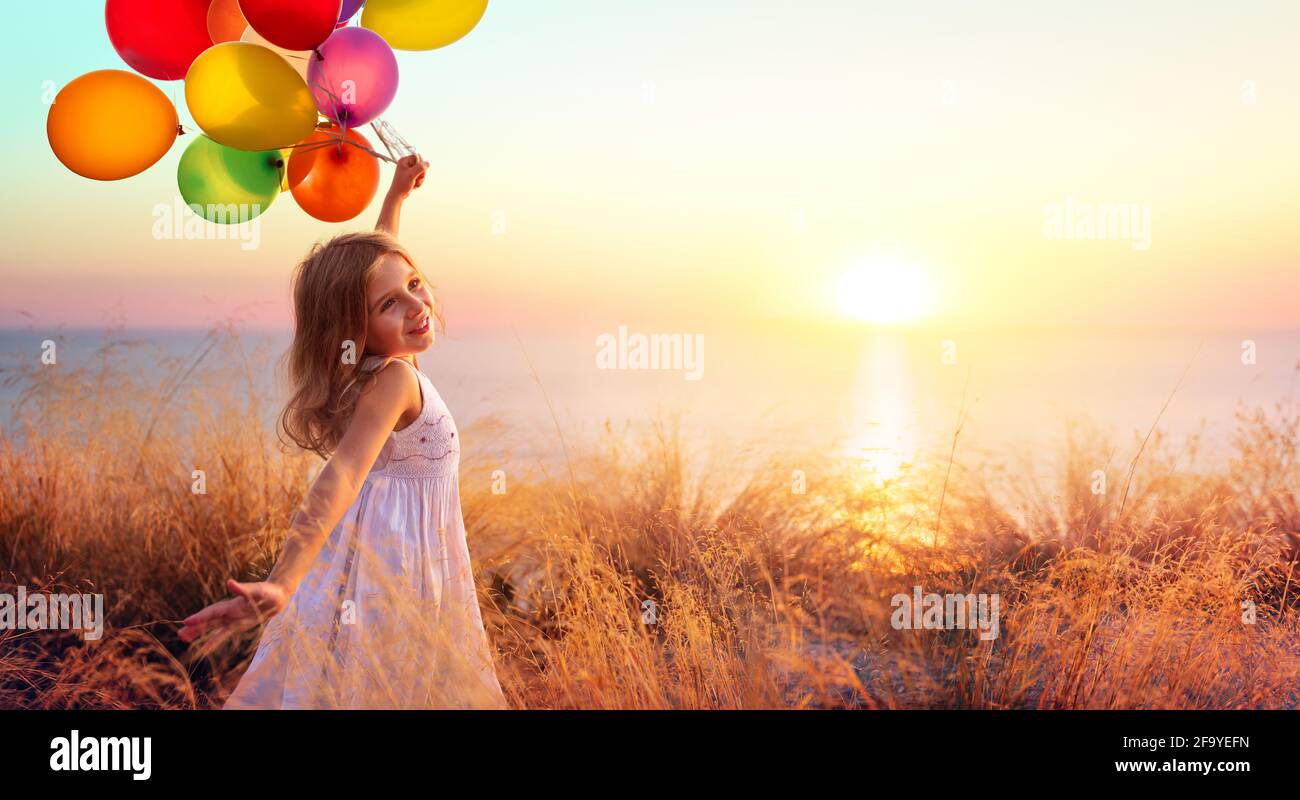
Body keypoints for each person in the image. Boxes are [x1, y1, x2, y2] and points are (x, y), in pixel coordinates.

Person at [179, 155, 508, 710]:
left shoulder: (374, 363)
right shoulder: (396, 379)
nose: (416, 305)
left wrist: (397, 197)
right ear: (355, 329)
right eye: (390, 304)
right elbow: (343, 474)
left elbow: (380, 264)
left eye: (415, 284)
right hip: (394, 573)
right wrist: (282, 583)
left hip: (381, 561)